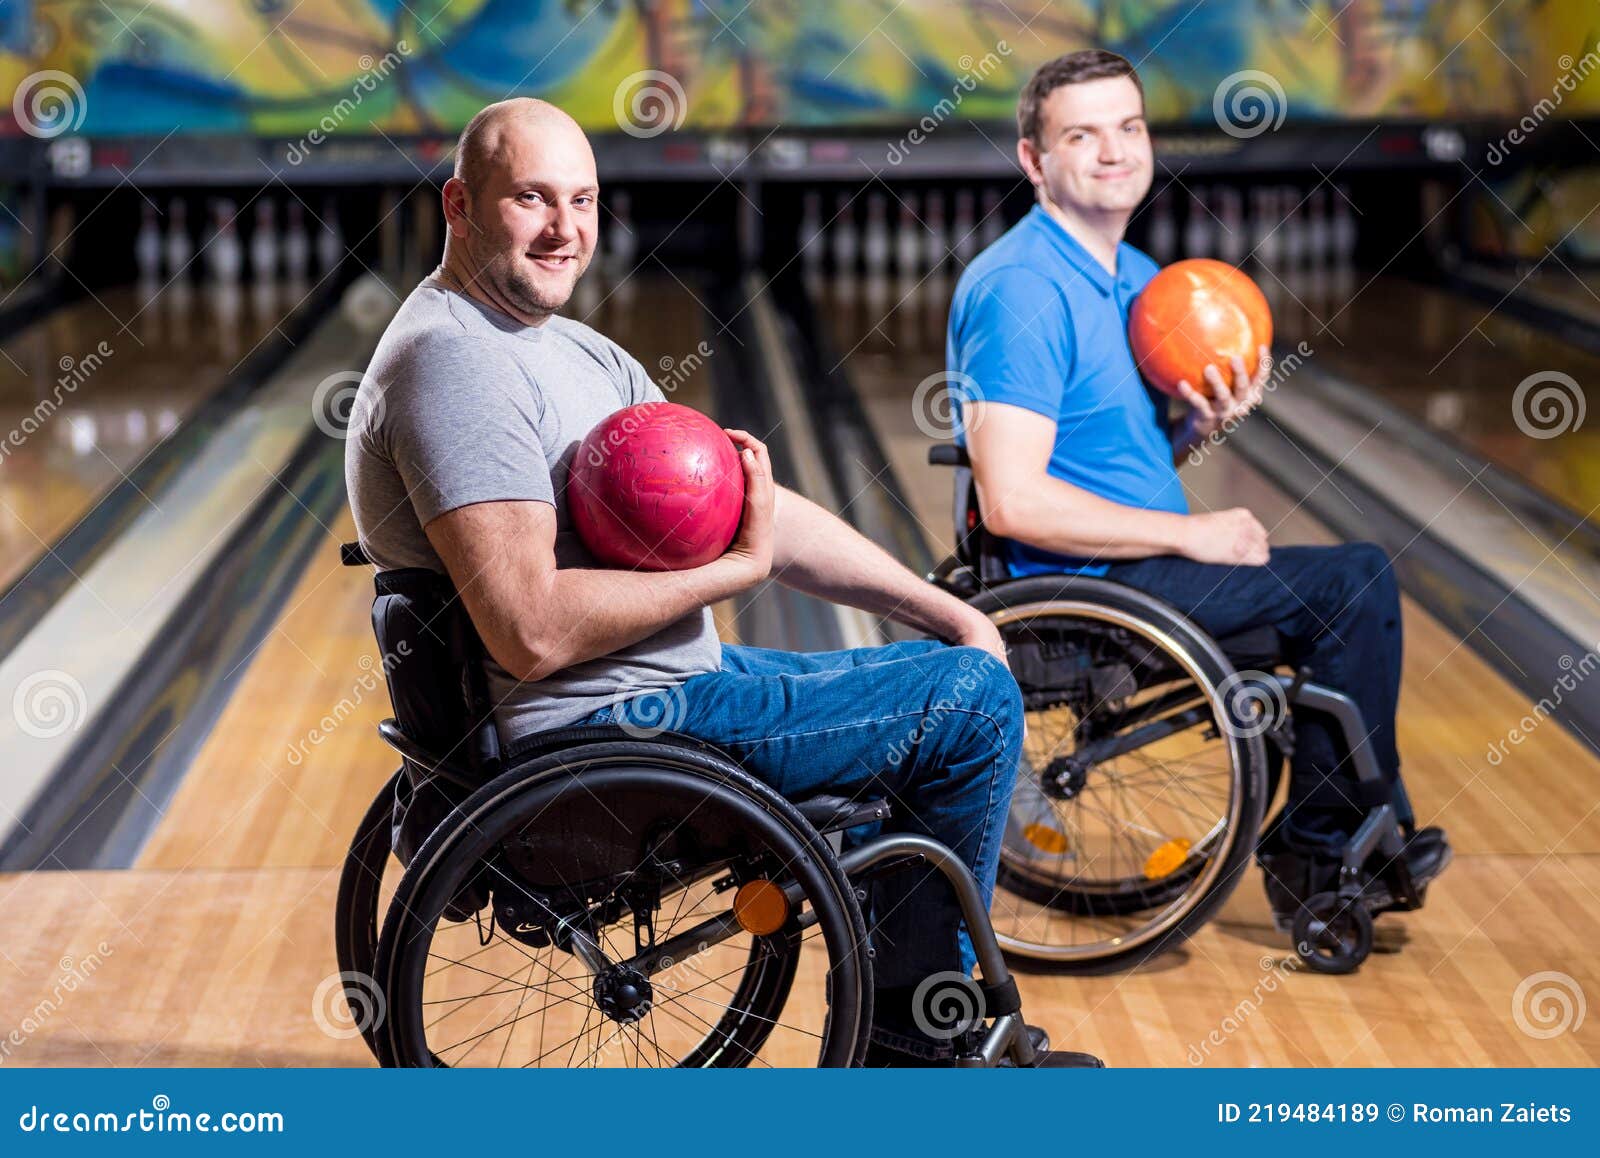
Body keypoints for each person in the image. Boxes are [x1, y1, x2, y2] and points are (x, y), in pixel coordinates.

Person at [345, 98, 1034, 1064]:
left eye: (581, 200)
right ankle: (918, 1044)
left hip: (669, 703)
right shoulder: (457, 365)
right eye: (531, 199)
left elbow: (762, 512)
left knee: (944, 662)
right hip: (593, 751)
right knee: (969, 704)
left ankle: (909, 1008)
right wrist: (734, 573)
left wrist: (947, 608)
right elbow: (530, 631)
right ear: (459, 204)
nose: (564, 229)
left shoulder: (571, 349)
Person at [946, 50, 1449, 905]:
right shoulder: (1023, 289)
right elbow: (1014, 499)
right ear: (1035, 161)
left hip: (1135, 574)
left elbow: (1106, 463)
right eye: (1082, 134)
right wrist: (1191, 530)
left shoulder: (1147, 283)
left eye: (1129, 127)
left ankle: (1347, 833)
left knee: (1340, 594)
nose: (1114, 151)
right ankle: (1326, 852)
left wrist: (1192, 429)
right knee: (1351, 583)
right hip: (1079, 594)